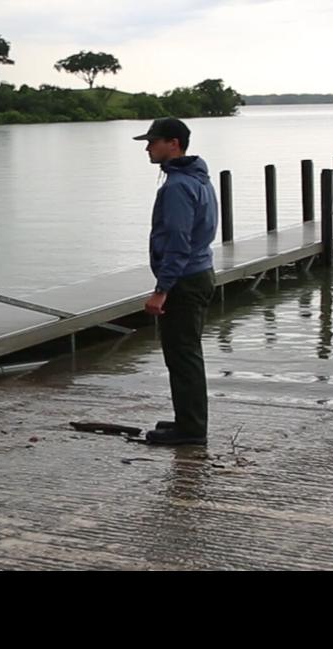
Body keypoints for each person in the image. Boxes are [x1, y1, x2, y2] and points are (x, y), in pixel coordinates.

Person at [133, 117, 218, 445]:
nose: (147, 147)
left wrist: (162, 290)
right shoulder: (198, 179)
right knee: (186, 354)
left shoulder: (178, 187)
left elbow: (178, 242)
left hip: (184, 280)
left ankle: (191, 430)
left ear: (174, 143)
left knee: (182, 356)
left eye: (153, 141)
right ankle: (187, 419)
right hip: (200, 273)